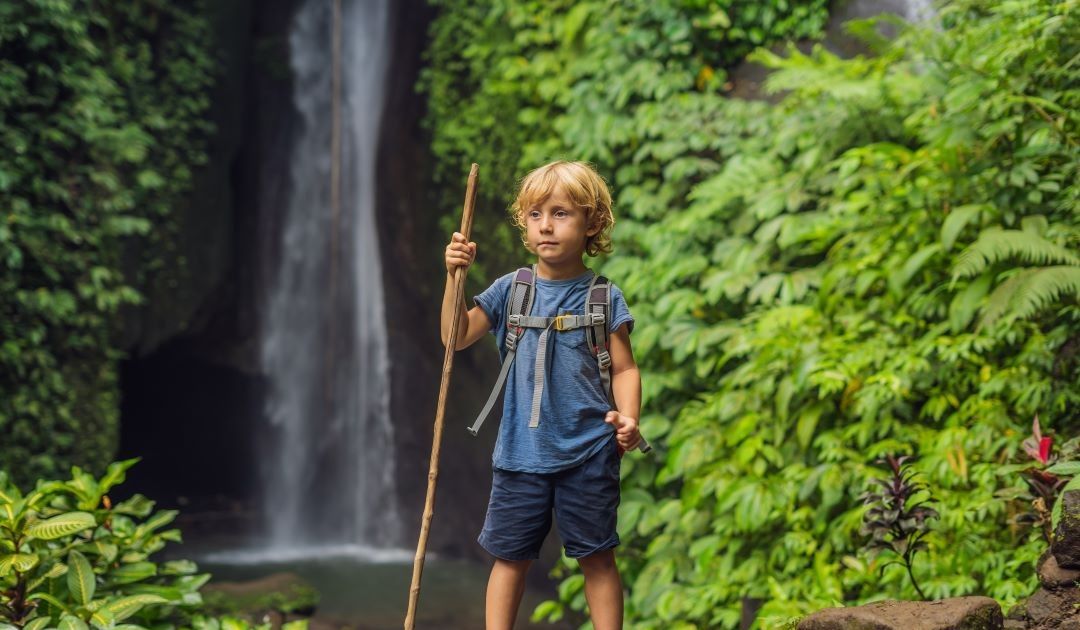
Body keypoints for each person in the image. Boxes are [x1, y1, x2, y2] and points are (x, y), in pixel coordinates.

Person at [441, 160, 642, 630]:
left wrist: (629, 418)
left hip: (588, 450)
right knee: (510, 557)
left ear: (592, 223)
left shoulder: (602, 298)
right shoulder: (511, 290)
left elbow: (626, 368)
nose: (546, 226)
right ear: (523, 224)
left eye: (561, 213)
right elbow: (456, 335)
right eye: (535, 215)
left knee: (597, 557)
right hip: (520, 454)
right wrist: (455, 279)